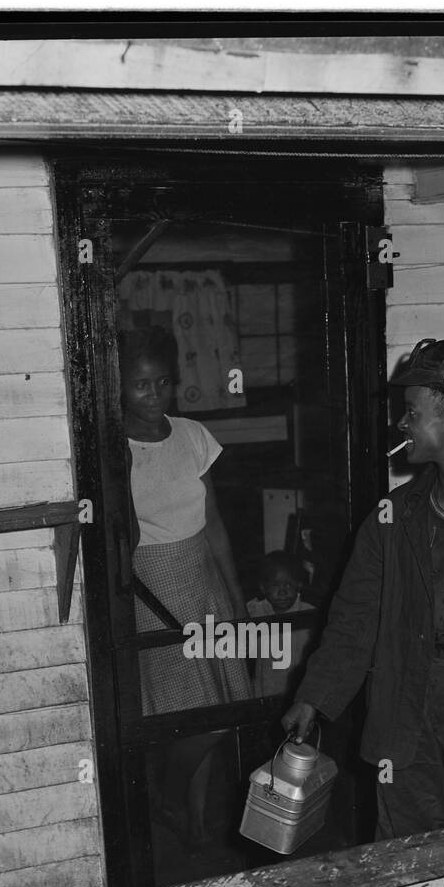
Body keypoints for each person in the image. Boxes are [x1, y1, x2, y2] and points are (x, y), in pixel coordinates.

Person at [282, 339, 444, 839]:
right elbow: (355, 618)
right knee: (407, 855)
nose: (401, 423)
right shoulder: (391, 517)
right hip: (407, 711)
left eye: (413, 413)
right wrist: (313, 698)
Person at [120, 326, 248, 846]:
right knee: (195, 716)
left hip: (203, 581)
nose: (154, 395)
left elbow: (214, 522)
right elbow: (120, 537)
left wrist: (236, 599)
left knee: (219, 710)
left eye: (163, 383)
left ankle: (192, 821)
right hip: (153, 590)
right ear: (120, 388)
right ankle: (167, 795)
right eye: (140, 385)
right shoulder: (114, 448)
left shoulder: (193, 435)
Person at [246, 551, 316, 699]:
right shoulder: (256, 612)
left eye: (288, 584)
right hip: (265, 689)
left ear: (298, 584)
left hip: (298, 692)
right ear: (263, 587)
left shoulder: (308, 614)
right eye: (275, 585)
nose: (282, 591)